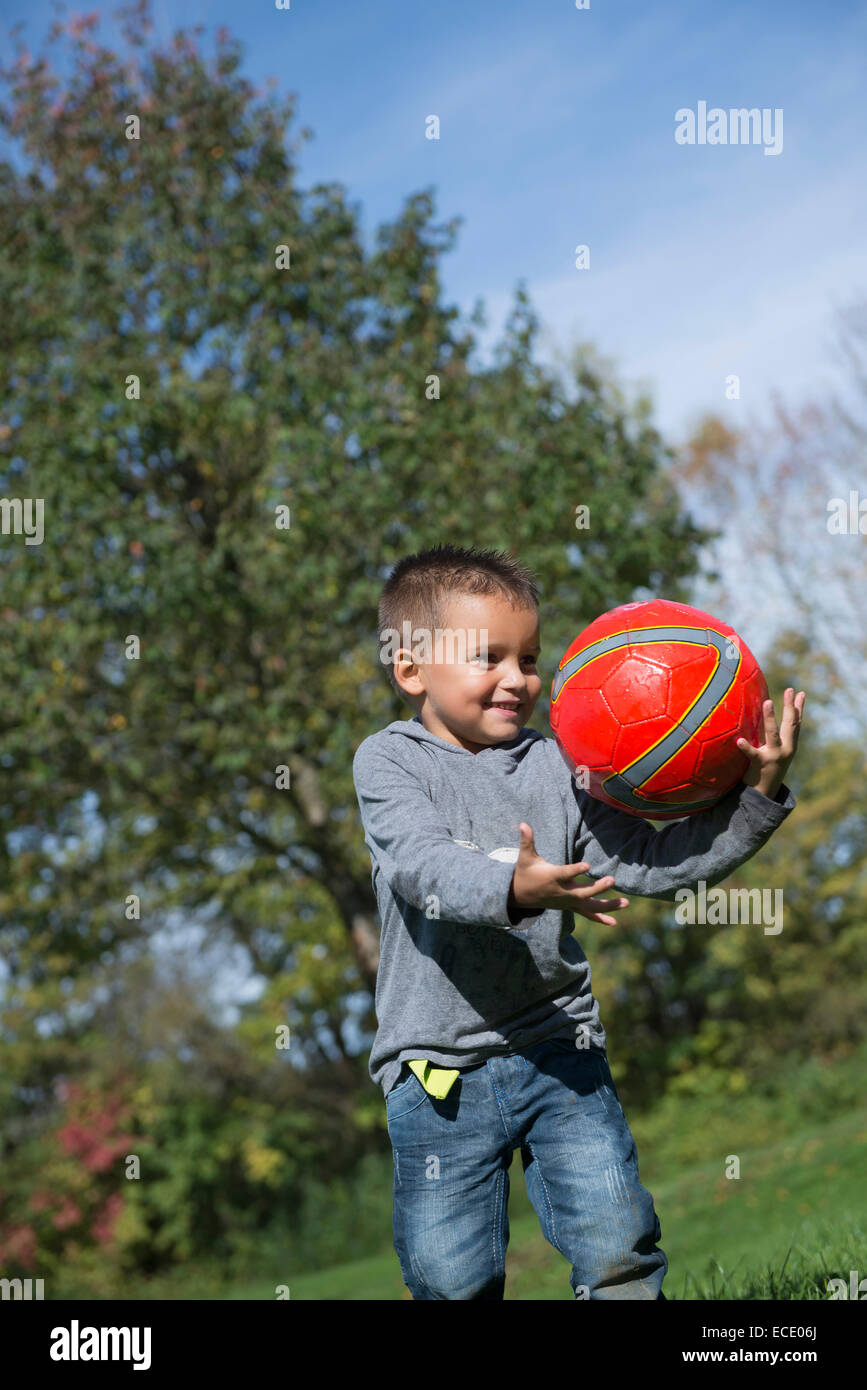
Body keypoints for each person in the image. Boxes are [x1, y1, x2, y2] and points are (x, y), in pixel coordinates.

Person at [352, 543, 804, 1300]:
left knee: (616, 1237)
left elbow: (650, 864)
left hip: (561, 1045)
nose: (516, 679)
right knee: (451, 1278)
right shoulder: (390, 764)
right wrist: (514, 885)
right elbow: (420, 865)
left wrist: (754, 795)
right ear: (409, 670)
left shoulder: (562, 767)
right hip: (437, 1072)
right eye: (486, 657)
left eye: (527, 658)